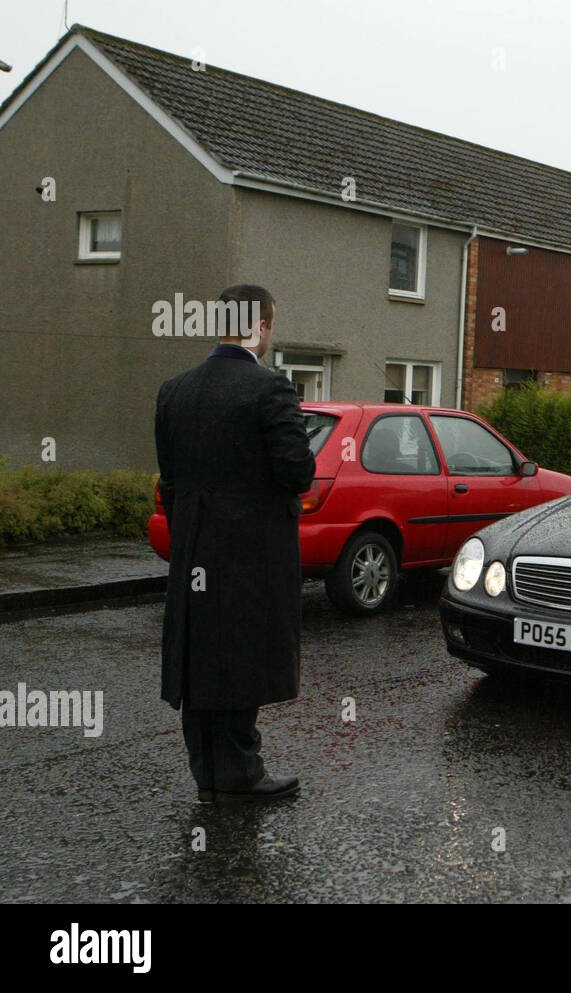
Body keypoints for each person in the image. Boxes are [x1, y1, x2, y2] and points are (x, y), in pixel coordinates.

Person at [154, 285, 315, 803]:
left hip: (194, 547)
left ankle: (210, 771)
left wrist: (187, 541)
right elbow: (297, 473)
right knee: (242, 655)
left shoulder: (173, 390)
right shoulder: (270, 389)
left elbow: (171, 480)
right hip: (250, 552)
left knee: (199, 657)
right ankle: (241, 774)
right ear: (262, 326)